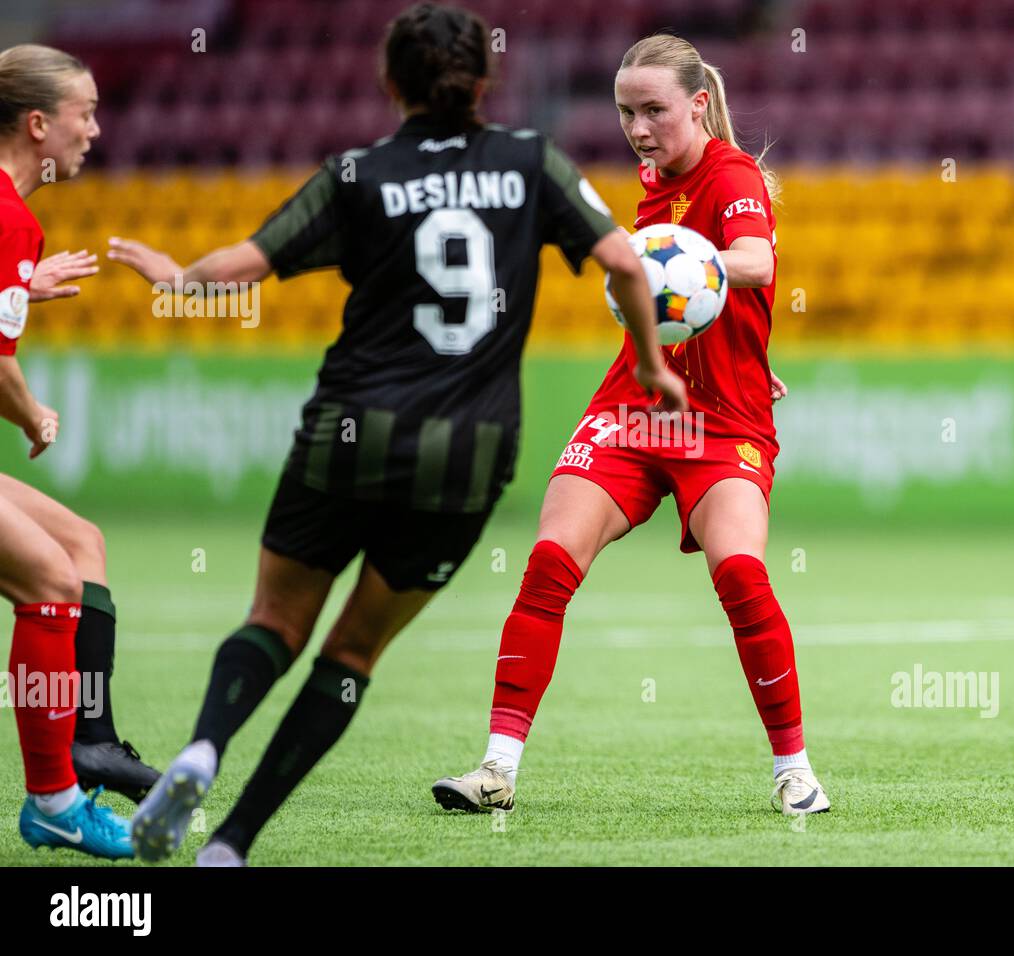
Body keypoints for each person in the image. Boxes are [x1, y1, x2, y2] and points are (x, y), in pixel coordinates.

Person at [107, 1, 686, 866]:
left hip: (349, 431)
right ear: (482, 82)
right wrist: (649, 362)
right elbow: (623, 261)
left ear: (389, 84)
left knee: (275, 620)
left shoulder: (356, 174)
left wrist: (178, 279)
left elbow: (247, 269)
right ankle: (231, 843)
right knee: (352, 649)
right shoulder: (531, 162)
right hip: (467, 457)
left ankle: (202, 748)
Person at [432, 34, 828, 817]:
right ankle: (495, 768)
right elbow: (685, 304)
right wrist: (726, 333)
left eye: (655, 111)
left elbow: (753, 262)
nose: (639, 129)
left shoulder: (733, 174)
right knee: (549, 560)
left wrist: (694, 274)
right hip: (633, 408)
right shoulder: (653, 180)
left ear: (698, 104)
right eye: (626, 113)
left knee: (741, 576)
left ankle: (795, 771)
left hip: (723, 423)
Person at [0, 42, 159, 861]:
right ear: (38, 124)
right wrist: (33, 419)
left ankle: (89, 743)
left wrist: (19, 290)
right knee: (51, 583)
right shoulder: (8, 214)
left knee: (78, 546)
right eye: (84, 112)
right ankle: (56, 802)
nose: (95, 130)